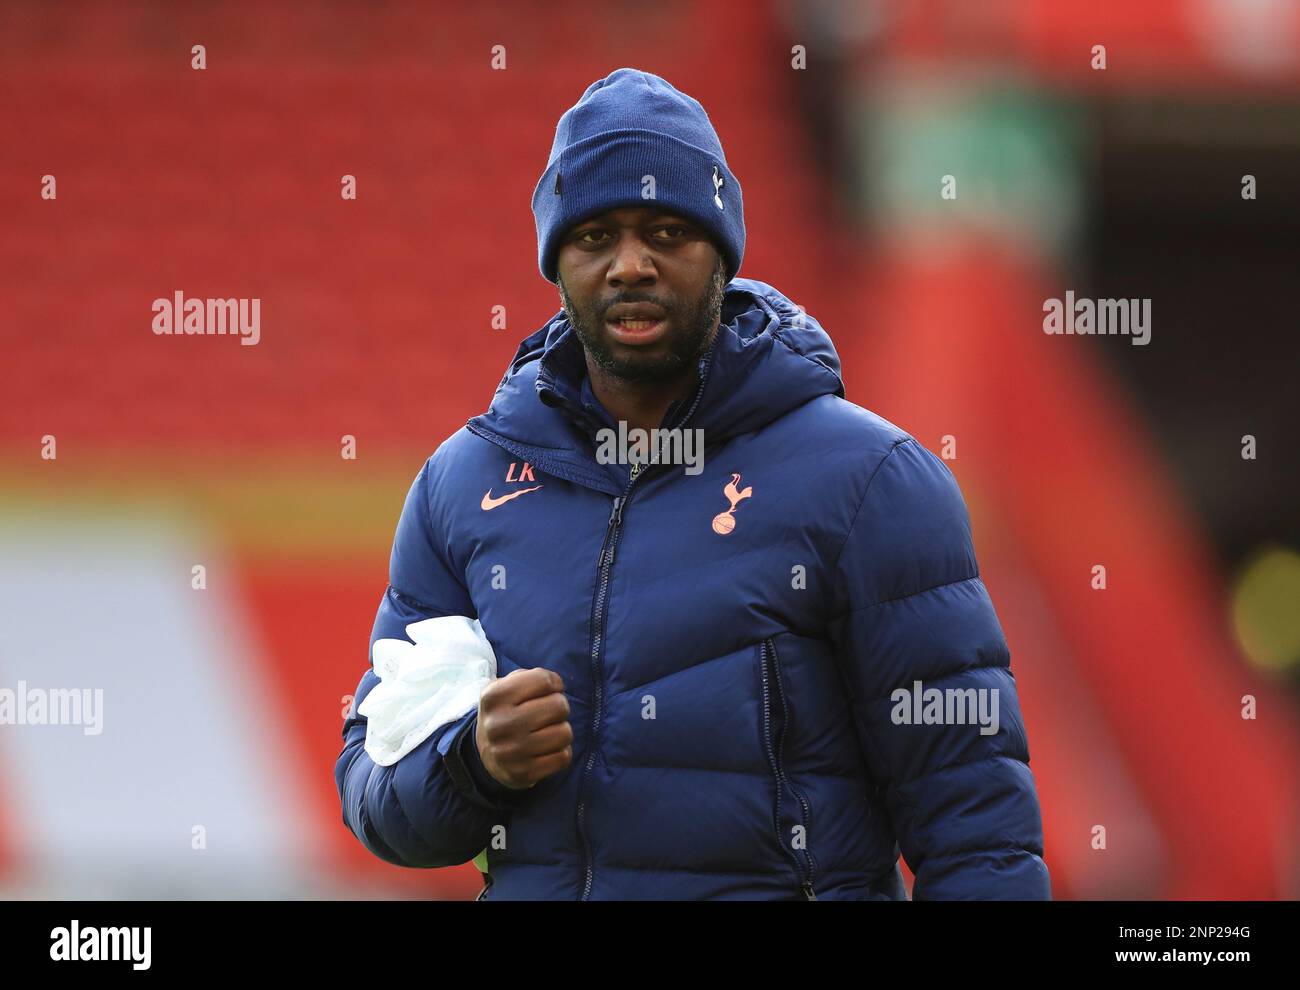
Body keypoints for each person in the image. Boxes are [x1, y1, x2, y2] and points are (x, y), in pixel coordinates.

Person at [335, 67, 1051, 901]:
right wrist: (472, 765)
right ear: (556, 261)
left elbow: (978, 830)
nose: (630, 264)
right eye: (595, 235)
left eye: (667, 233)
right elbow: (372, 791)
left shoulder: (871, 482)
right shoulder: (463, 484)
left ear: (722, 255)